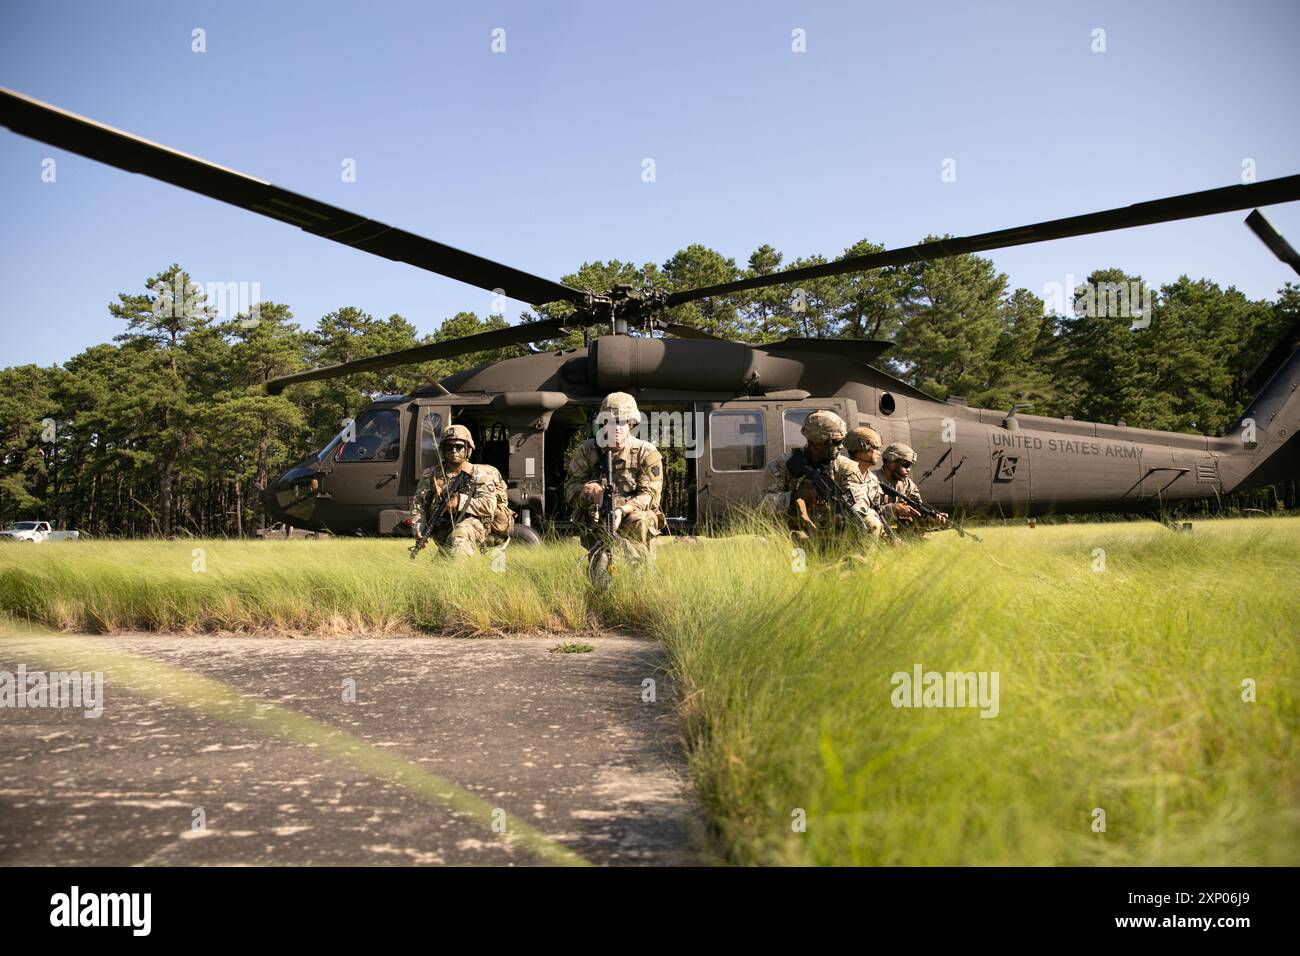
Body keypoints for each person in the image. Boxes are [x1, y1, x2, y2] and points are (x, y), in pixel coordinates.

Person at [564, 392, 666, 556]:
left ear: (631, 424)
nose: (617, 427)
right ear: (604, 422)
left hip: (632, 515)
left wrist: (622, 510)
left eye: (622, 422)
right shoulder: (587, 451)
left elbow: (649, 496)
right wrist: (587, 491)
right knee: (601, 565)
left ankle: (639, 567)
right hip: (597, 515)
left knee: (640, 520)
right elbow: (570, 491)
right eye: (611, 421)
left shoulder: (646, 452)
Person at [763, 410, 880, 538]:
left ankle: (853, 558)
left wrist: (846, 515)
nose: (842, 447)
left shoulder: (845, 466)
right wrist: (794, 496)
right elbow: (763, 505)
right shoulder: (782, 465)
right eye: (836, 442)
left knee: (870, 522)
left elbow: (859, 497)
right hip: (793, 529)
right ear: (819, 442)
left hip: (833, 528)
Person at [409, 424, 511, 559]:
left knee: (460, 536)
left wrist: (459, 502)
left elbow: (488, 505)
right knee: (440, 569)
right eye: (449, 447)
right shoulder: (431, 475)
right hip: (444, 528)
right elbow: (418, 504)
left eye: (459, 446)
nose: (454, 451)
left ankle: (457, 577)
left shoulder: (479, 474)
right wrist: (418, 527)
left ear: (468, 449)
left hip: (474, 524)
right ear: (443, 450)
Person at [843, 427, 918, 530]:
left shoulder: (872, 480)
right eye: (874, 448)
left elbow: (877, 512)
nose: (878, 453)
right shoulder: (842, 472)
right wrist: (893, 508)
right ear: (862, 447)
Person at [879, 442, 947, 528]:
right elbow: (865, 513)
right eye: (905, 465)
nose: (908, 470)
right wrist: (894, 508)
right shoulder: (873, 480)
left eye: (910, 466)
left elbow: (918, 511)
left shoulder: (908, 485)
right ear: (891, 462)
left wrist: (931, 518)